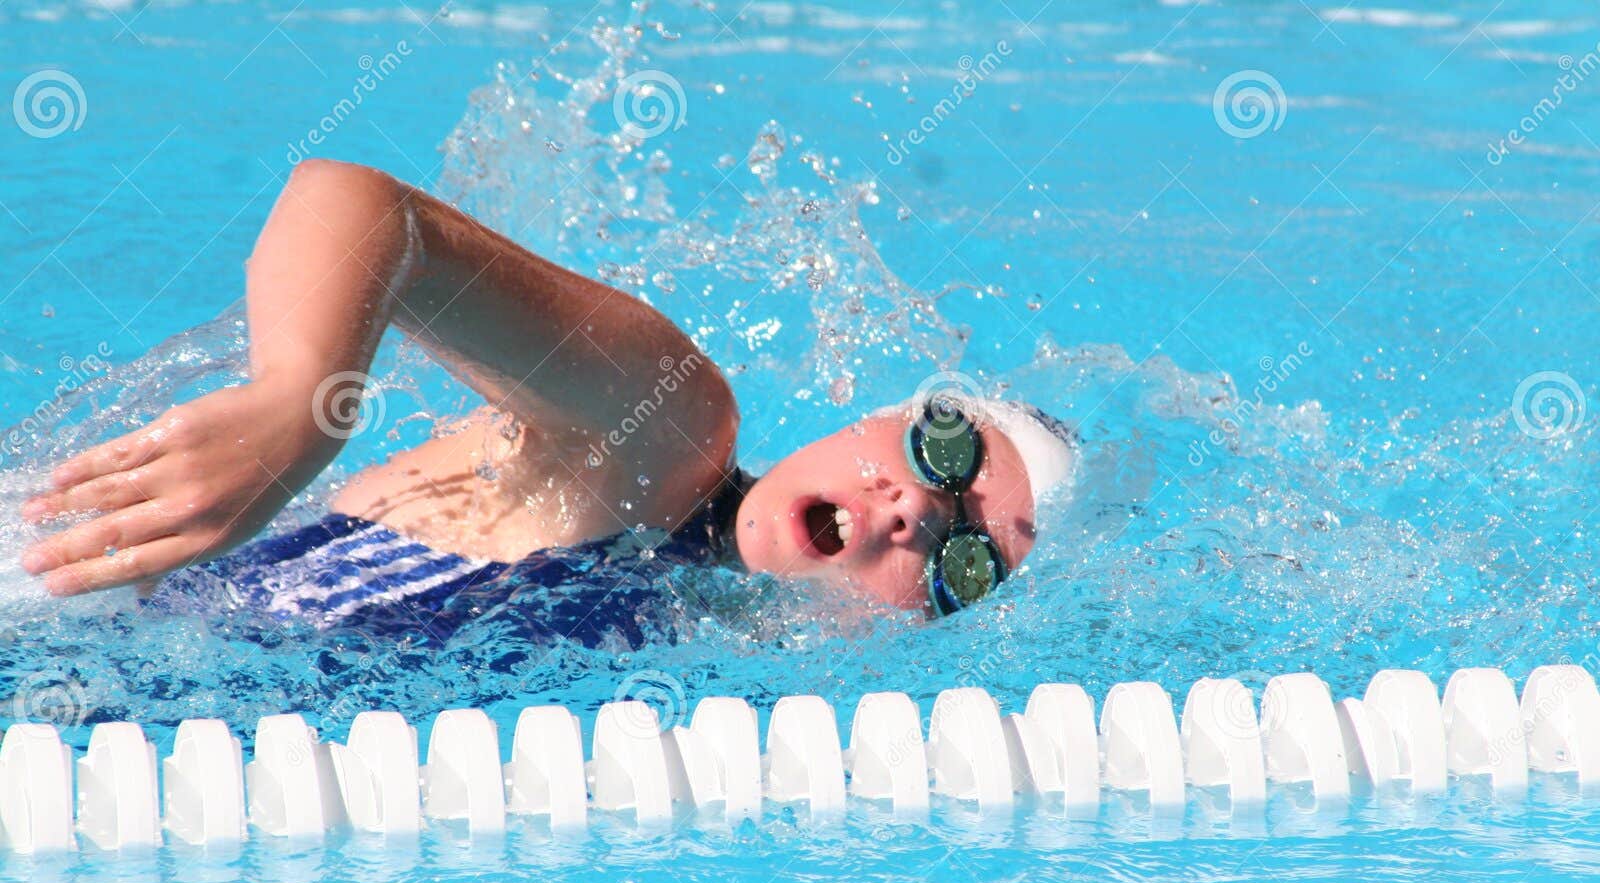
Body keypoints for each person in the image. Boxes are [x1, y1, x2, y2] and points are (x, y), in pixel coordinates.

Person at [18, 160, 1074, 644]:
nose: (916, 512)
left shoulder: (704, 673)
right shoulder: (663, 433)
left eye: (965, 562)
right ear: (873, 417)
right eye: (945, 452)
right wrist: (298, 404)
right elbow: (359, 209)